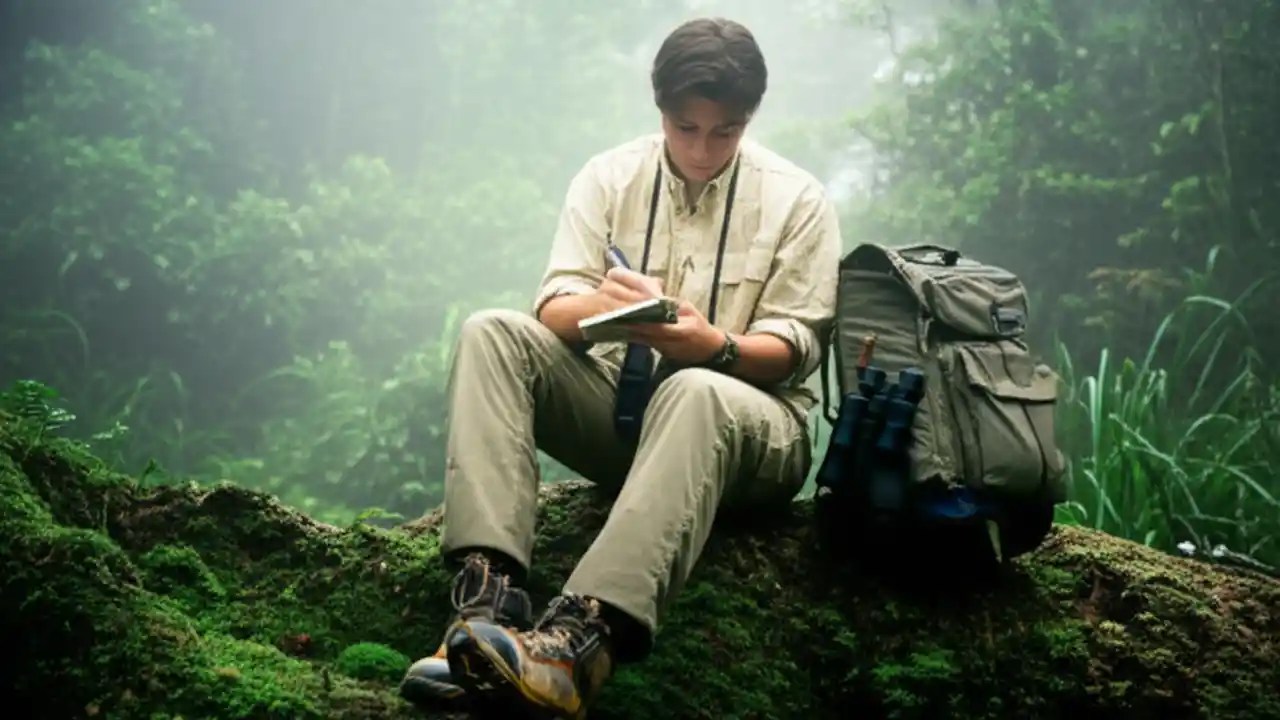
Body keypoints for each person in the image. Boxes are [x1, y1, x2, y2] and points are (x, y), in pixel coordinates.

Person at [399, 16, 841, 720]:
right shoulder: (608, 176)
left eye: (723, 131)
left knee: (696, 389)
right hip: (628, 417)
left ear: (748, 118)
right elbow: (553, 307)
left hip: (754, 435)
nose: (702, 148)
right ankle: (485, 611)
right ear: (660, 109)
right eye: (684, 126)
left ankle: (578, 645)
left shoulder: (799, 201)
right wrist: (601, 307)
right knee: (491, 332)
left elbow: (794, 348)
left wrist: (712, 345)